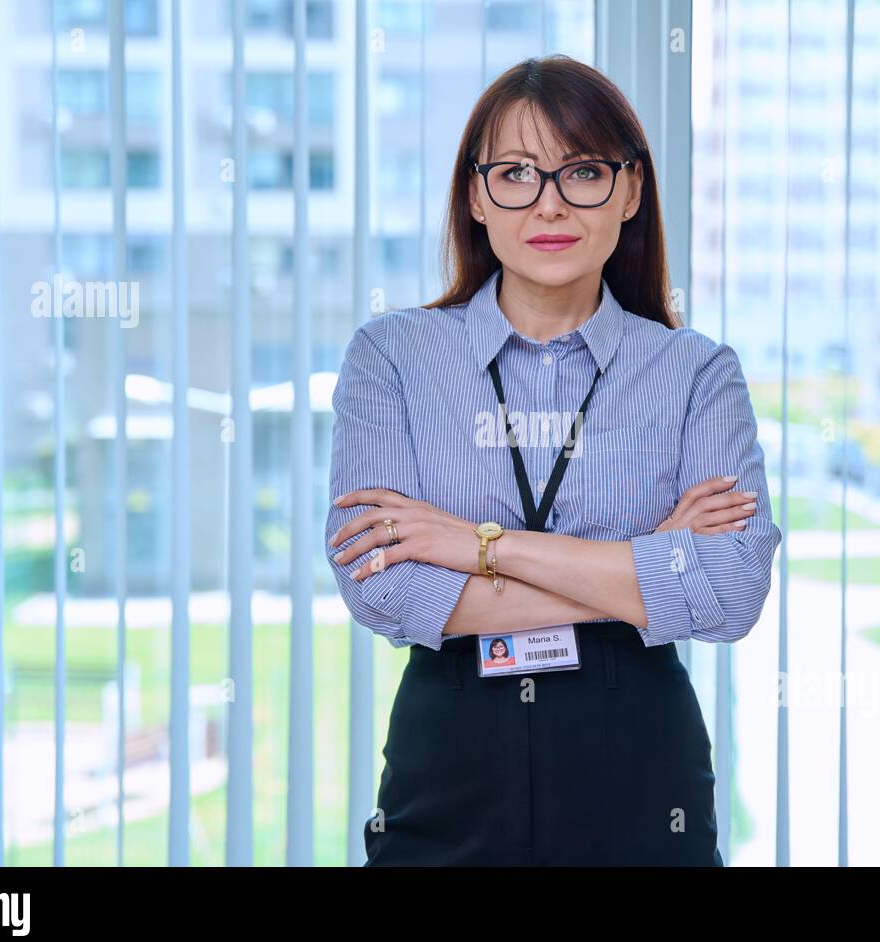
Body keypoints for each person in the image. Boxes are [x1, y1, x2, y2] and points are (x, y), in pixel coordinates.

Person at [326, 54, 781, 866]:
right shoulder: (390, 357)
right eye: (515, 173)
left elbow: (732, 590)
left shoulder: (696, 373)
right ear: (475, 193)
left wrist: (476, 547)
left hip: (643, 776)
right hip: (447, 771)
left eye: (582, 172)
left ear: (631, 190)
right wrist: (644, 572)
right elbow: (386, 585)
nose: (548, 203)